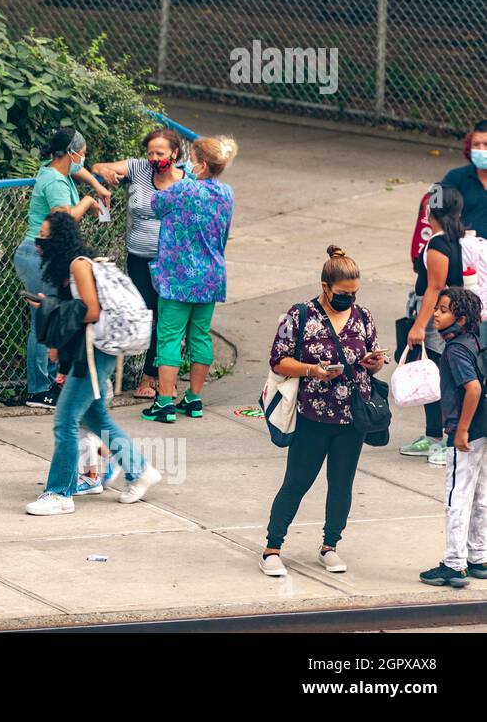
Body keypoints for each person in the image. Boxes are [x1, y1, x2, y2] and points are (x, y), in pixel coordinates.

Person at [25, 212, 161, 516]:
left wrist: (50, 307)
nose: (39, 242)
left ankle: (60, 493)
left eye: (44, 236)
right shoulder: (67, 269)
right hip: (90, 348)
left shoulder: (78, 265)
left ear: (59, 239)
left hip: (96, 351)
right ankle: (139, 470)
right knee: (95, 417)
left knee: (65, 419)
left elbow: (91, 310)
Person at [260, 246, 385, 578]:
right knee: (297, 481)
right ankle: (272, 548)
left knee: (341, 483)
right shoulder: (299, 315)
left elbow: (371, 356)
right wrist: (312, 370)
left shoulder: (364, 316)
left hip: (352, 416)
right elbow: (278, 360)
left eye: (354, 293)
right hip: (312, 415)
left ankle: (330, 546)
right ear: (325, 286)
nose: (349, 299)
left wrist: (375, 363)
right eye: (343, 293)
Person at [13, 129, 111, 409]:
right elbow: (63, 221)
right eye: (83, 153)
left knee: (50, 317)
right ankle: (38, 390)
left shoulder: (53, 171)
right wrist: (89, 201)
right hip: (39, 253)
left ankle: (48, 384)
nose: (84, 159)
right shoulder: (56, 183)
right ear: (71, 153)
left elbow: (76, 172)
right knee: (44, 319)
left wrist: (96, 184)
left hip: (40, 255)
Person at [141, 136, 237, 423]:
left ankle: (165, 401)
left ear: (202, 164)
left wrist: (180, 176)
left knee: (169, 337)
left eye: (193, 159)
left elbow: (155, 204)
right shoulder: (226, 193)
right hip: (210, 276)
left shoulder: (182, 189)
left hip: (178, 277)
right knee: (200, 336)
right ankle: (193, 398)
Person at [91, 127, 189, 401]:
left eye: (160, 153)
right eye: (151, 153)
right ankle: (140, 373)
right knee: (141, 312)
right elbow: (98, 165)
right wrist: (105, 172)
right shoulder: (138, 169)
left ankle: (153, 375)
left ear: (175, 154)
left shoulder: (185, 181)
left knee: (166, 318)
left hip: (171, 262)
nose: (154, 157)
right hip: (139, 257)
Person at [419, 287, 487, 587]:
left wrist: (461, 430)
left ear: (459, 318)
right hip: (483, 430)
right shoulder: (474, 341)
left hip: (468, 432)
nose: (435, 313)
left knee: (457, 496)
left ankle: (454, 564)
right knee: (481, 496)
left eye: (443, 309)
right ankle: (478, 557)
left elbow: (472, 388)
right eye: (436, 307)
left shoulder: (455, 349)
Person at [402, 184, 466, 467]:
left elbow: (435, 288)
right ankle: (433, 435)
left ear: (431, 211)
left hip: (437, 317)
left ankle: (449, 441)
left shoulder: (439, 243)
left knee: (442, 379)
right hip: (443, 314)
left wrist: (419, 326)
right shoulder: (454, 238)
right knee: (431, 375)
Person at [441, 121, 487, 236]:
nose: (481, 150)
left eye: (486, 144)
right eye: (476, 145)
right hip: (461, 247)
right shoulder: (455, 178)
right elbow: (433, 209)